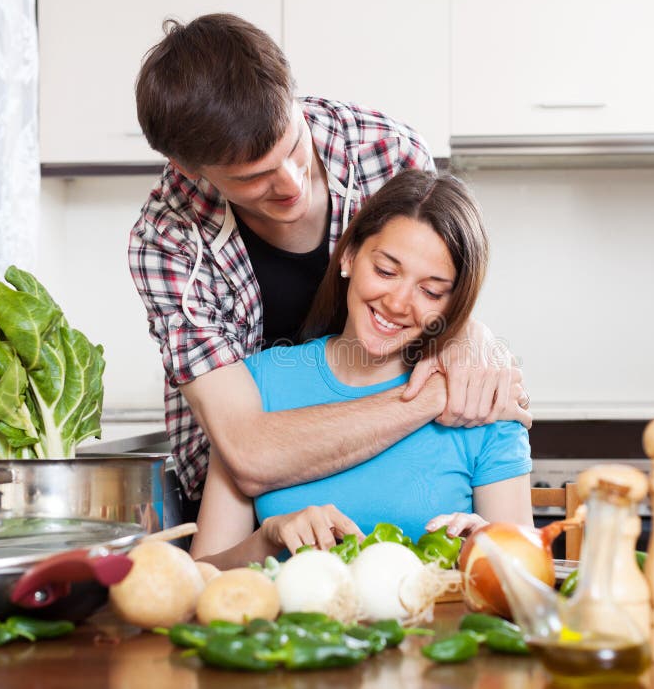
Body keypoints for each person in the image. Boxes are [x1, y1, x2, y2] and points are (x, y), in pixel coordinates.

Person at [128, 13, 532, 523]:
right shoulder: (166, 239)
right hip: (246, 495)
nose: (293, 183)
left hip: (392, 443)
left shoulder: (388, 151)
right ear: (191, 170)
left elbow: (434, 280)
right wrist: (434, 398)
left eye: (294, 146)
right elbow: (250, 456)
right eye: (254, 177)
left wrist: (474, 334)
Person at [191, 170, 532, 568]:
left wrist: (485, 547)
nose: (399, 302)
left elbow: (527, 577)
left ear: (452, 304)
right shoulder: (259, 383)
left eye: (431, 291)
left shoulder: (478, 399)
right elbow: (202, 575)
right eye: (386, 271)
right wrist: (268, 539)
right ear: (350, 256)